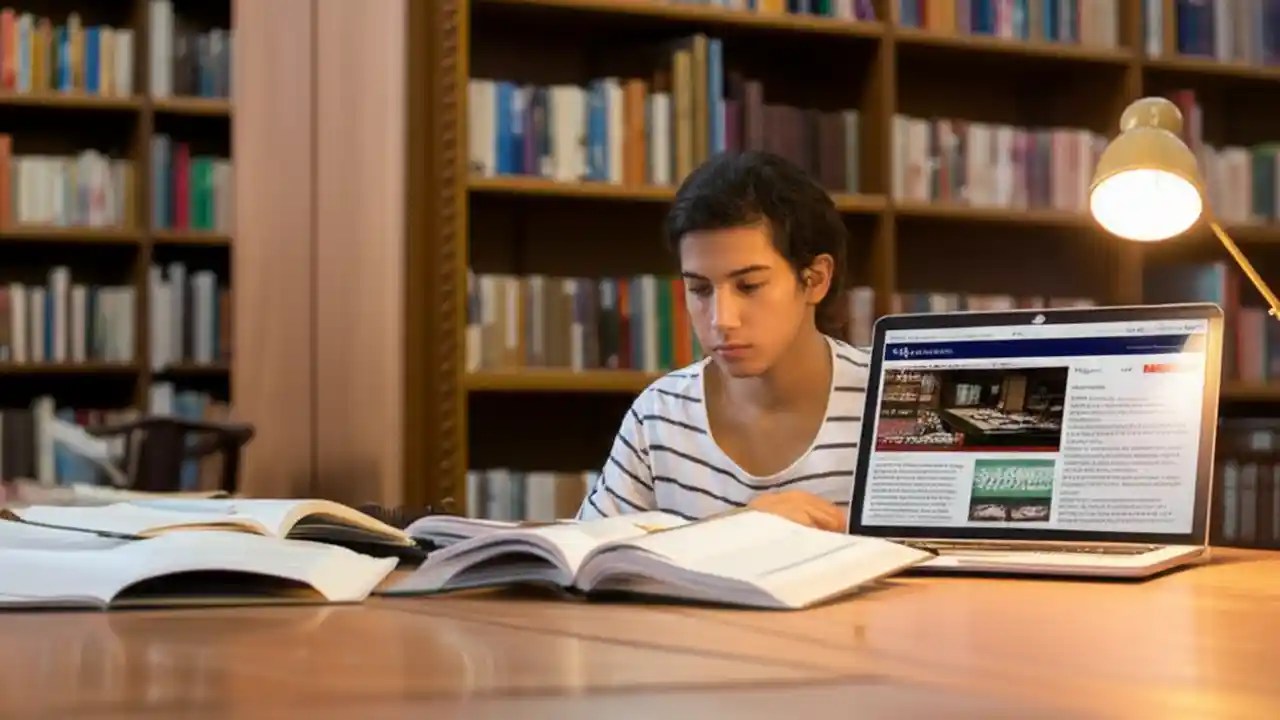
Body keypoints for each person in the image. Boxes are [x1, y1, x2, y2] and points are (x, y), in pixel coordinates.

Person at [576, 151, 869, 531]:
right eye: (699, 289)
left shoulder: (890, 401)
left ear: (814, 279)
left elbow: (951, 564)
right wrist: (740, 529)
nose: (721, 319)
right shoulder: (660, 415)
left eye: (749, 286)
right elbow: (587, 562)